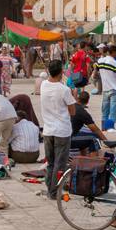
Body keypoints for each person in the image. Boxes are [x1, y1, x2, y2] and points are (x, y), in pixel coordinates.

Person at [39, 60, 77, 201]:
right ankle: (55, 192)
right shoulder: (64, 90)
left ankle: (51, 189)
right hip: (62, 131)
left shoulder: (44, 85)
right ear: (61, 72)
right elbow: (72, 111)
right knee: (60, 164)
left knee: (51, 163)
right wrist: (73, 93)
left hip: (48, 130)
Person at [96, 44, 116, 129]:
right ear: (114, 52)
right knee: (113, 112)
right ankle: (110, 128)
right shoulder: (115, 63)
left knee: (105, 111)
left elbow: (95, 72)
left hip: (105, 89)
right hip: (114, 89)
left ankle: (104, 128)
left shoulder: (100, 61)